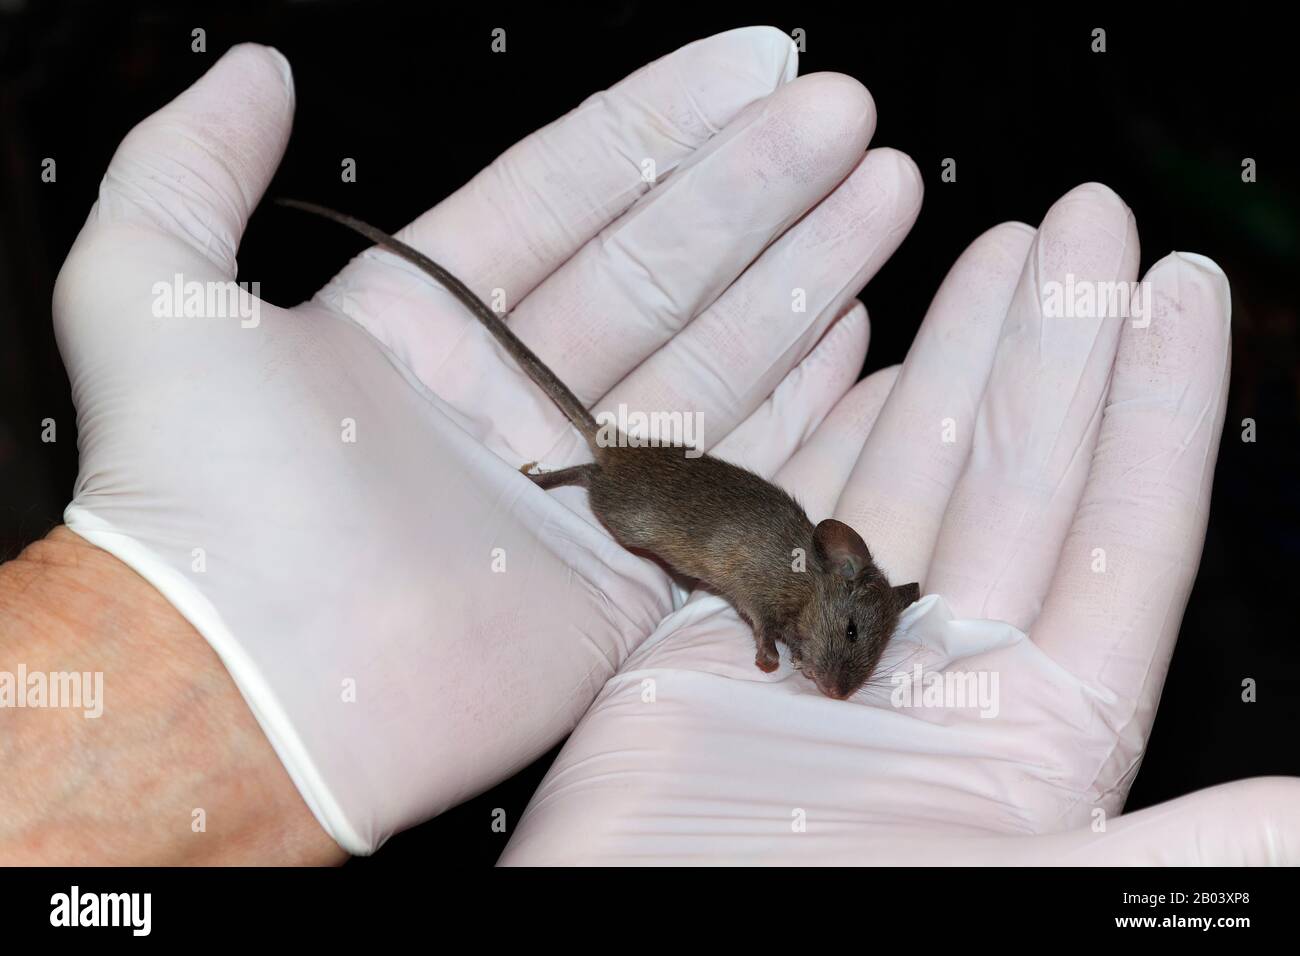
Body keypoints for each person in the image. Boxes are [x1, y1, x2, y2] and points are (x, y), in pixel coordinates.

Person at [2, 28, 1291, 865]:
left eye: (859, 643)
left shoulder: (834, 571)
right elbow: (743, 580)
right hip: (644, 495)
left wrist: (183, 671)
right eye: (849, 642)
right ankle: (569, 478)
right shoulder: (787, 576)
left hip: (680, 494)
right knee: (623, 503)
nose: (845, 658)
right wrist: (170, 637)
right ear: (830, 590)